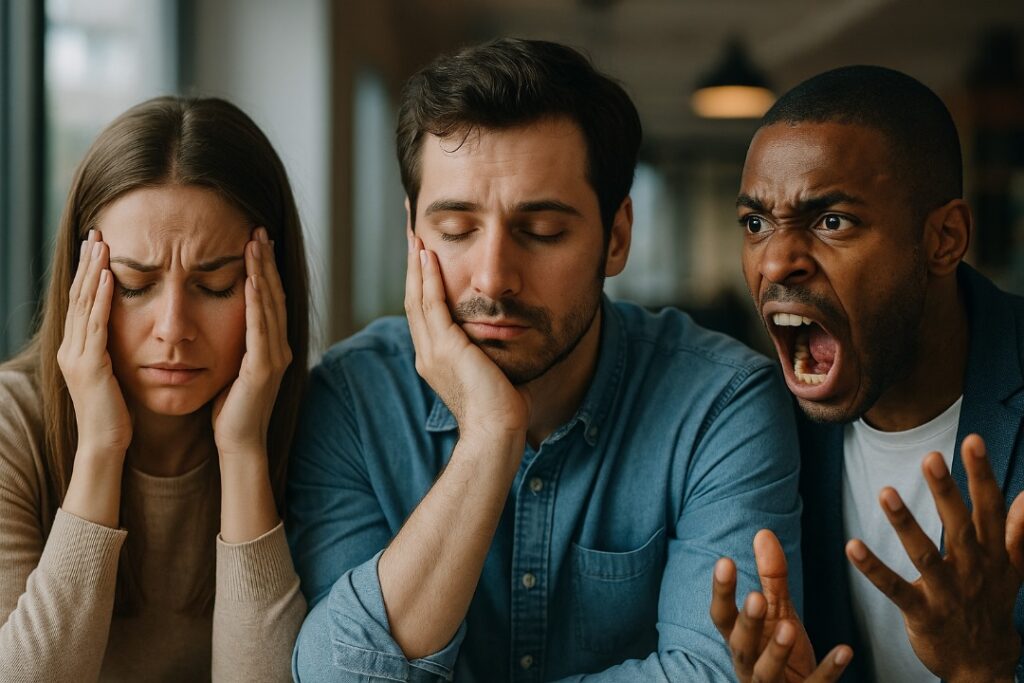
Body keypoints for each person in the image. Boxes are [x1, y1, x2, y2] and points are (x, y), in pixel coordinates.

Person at [287, 37, 801, 681]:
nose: (494, 278)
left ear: (615, 239)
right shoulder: (349, 401)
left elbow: (711, 671)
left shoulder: (724, 403)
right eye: (455, 231)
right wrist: (489, 435)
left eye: (543, 232)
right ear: (412, 235)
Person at [709, 65, 1024, 683]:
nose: (775, 261)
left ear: (944, 239)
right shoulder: (758, 429)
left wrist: (982, 669)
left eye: (832, 222)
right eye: (755, 224)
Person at [0, 96, 310, 681]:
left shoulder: (321, 432)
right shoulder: (10, 428)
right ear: (81, 282)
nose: (173, 329)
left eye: (216, 286)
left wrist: (244, 452)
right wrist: (99, 448)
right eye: (134, 284)